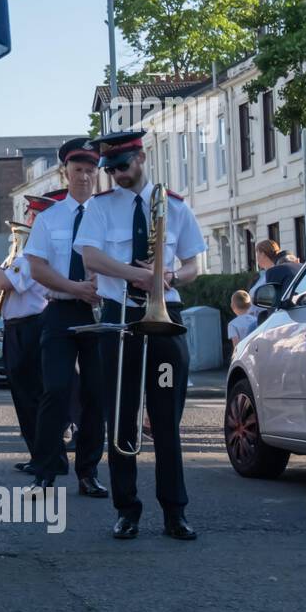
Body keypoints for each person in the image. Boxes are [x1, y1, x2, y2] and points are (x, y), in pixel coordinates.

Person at [74, 130, 205, 542]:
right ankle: (126, 509)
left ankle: (175, 511)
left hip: (165, 318)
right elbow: (91, 256)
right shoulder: (99, 207)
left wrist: (166, 276)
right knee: (122, 417)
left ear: (142, 157)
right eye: (109, 169)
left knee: (166, 419)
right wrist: (138, 275)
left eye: (122, 166)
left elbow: (193, 266)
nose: (115, 175)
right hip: (121, 317)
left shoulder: (175, 206)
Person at [23, 138, 109, 496]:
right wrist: (75, 288)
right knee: (55, 390)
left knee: (95, 394)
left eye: (91, 170)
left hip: (100, 311)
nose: (85, 177)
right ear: (65, 172)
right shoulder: (49, 217)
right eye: (78, 170)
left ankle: (87, 472)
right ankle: (45, 470)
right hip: (61, 310)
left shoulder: (108, 215)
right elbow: (37, 268)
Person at [0, 193, 58, 482]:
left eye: (30, 213)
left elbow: (4, 281)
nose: (26, 217)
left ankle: (47, 458)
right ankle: (40, 456)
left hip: (30, 327)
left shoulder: (32, 255)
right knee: (25, 397)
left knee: (32, 397)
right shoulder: (22, 252)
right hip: (18, 327)